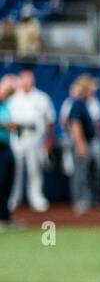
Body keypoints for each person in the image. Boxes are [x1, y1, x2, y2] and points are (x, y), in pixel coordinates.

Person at [6, 69, 55, 214]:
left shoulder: (41, 97)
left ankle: (36, 198)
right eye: (24, 79)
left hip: (35, 139)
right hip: (18, 138)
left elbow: (50, 120)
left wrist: (49, 139)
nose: (27, 82)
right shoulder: (13, 98)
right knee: (16, 171)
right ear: (20, 80)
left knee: (35, 170)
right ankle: (14, 199)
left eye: (29, 78)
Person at [63, 74, 100, 214]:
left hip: (88, 141)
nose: (94, 90)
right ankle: (79, 200)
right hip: (82, 142)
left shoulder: (86, 103)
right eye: (91, 87)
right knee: (80, 173)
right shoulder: (77, 104)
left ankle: (87, 199)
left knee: (87, 172)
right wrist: (81, 145)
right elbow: (75, 126)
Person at [0, 74, 17, 227]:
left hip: (6, 146)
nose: (9, 93)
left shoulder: (6, 104)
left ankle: (5, 216)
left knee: (7, 181)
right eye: (8, 90)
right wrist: (4, 125)